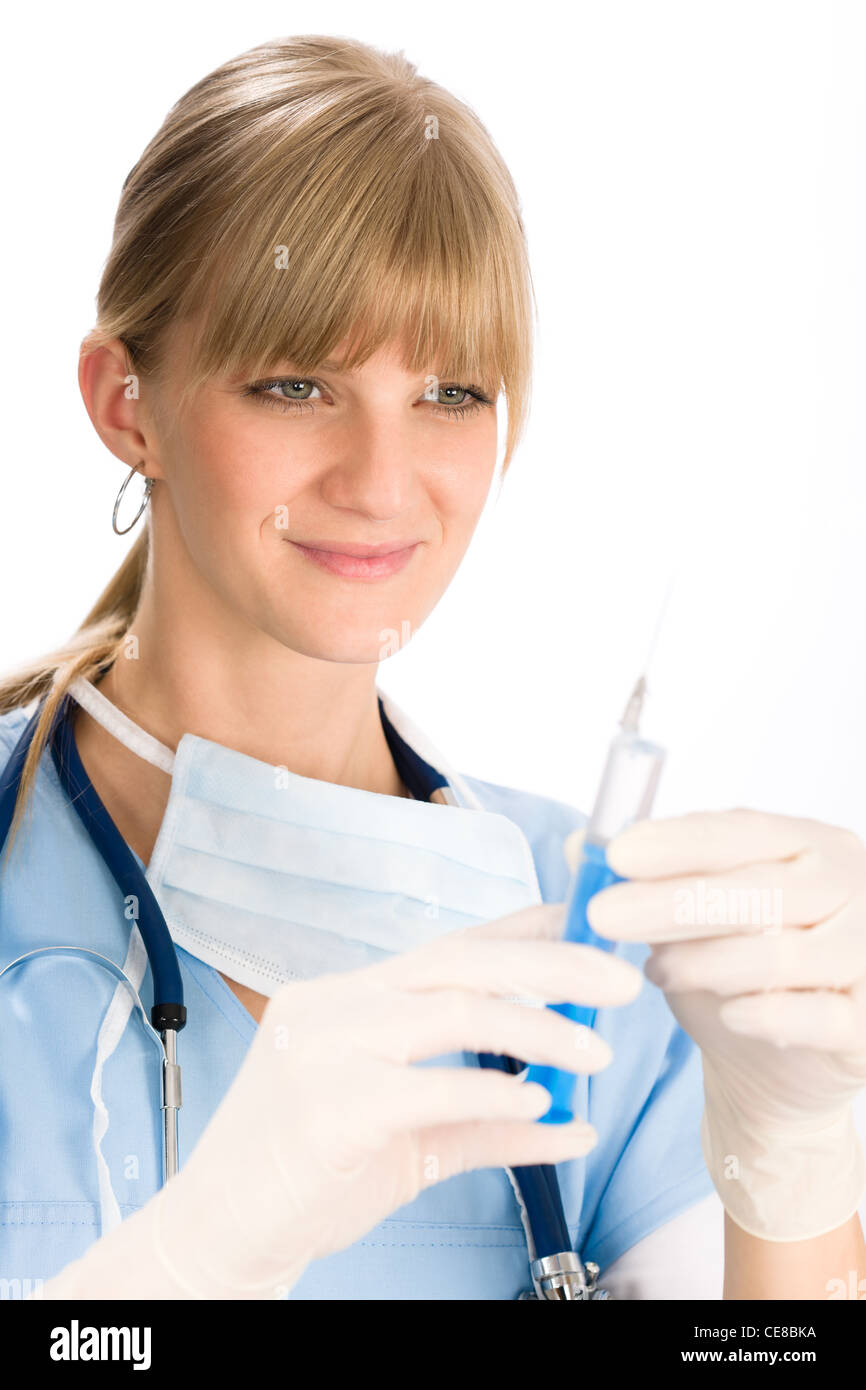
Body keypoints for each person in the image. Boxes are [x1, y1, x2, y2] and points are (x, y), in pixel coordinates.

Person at [0, 35, 862, 1303]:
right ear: (127, 402)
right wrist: (183, 1266)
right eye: (295, 384)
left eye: (451, 392)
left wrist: (792, 1177)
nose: (382, 482)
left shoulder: (594, 953)